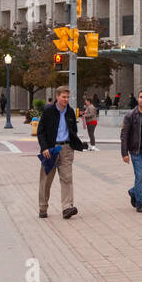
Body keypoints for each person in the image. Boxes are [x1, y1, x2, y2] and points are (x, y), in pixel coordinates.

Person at [37, 86, 85, 219]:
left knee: (67, 179)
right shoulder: (48, 111)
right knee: (46, 181)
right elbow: (40, 132)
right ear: (57, 97)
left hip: (66, 149)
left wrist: (77, 145)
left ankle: (67, 208)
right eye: (64, 97)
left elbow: (73, 130)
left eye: (68, 97)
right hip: (51, 150)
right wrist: (44, 148)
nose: (66, 99)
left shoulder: (70, 112)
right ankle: (43, 207)